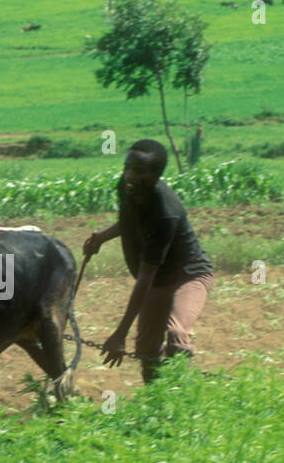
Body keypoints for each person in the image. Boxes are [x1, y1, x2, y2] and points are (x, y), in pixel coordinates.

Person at [83, 139, 214, 383]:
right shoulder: (127, 187)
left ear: (155, 176)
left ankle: (183, 394)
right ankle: (158, 404)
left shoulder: (165, 212)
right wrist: (102, 237)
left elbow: (145, 278)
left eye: (139, 171)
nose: (130, 175)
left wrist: (120, 334)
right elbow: (130, 220)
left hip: (189, 274)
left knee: (177, 334)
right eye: (127, 167)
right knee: (146, 352)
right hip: (158, 281)